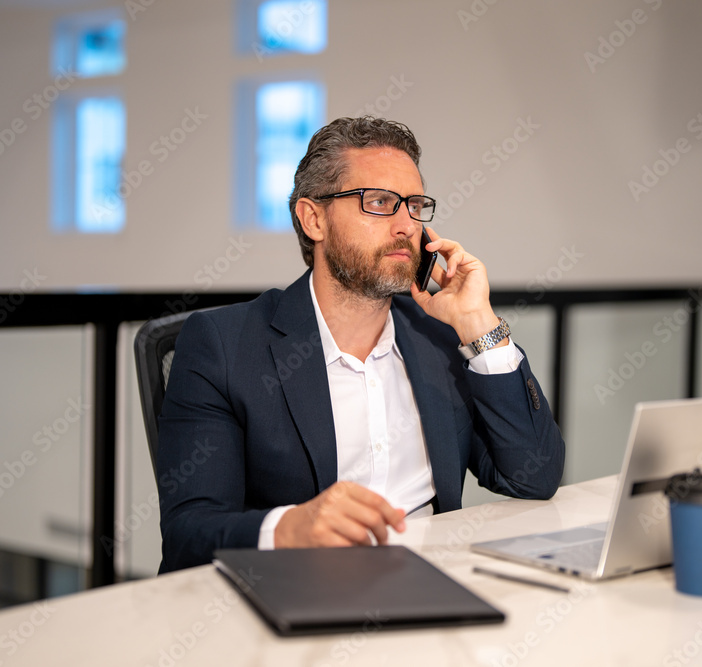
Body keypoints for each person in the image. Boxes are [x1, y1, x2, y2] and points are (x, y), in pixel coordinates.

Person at [156, 116, 565, 572]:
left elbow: (535, 476)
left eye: (414, 205)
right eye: (380, 203)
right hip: (300, 598)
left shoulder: (439, 336)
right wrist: (292, 528)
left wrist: (478, 324)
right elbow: (187, 535)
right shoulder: (225, 345)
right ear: (314, 219)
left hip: (435, 588)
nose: (406, 226)